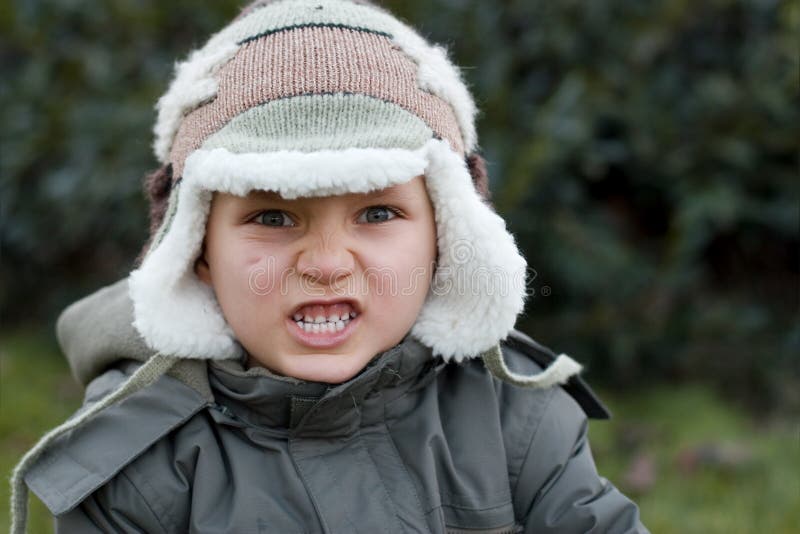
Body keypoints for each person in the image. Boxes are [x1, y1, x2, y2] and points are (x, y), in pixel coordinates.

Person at [11, 0, 650, 532]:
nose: (325, 263)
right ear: (196, 249)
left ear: (446, 237)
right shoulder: (137, 461)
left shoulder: (515, 416)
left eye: (376, 213)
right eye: (272, 216)